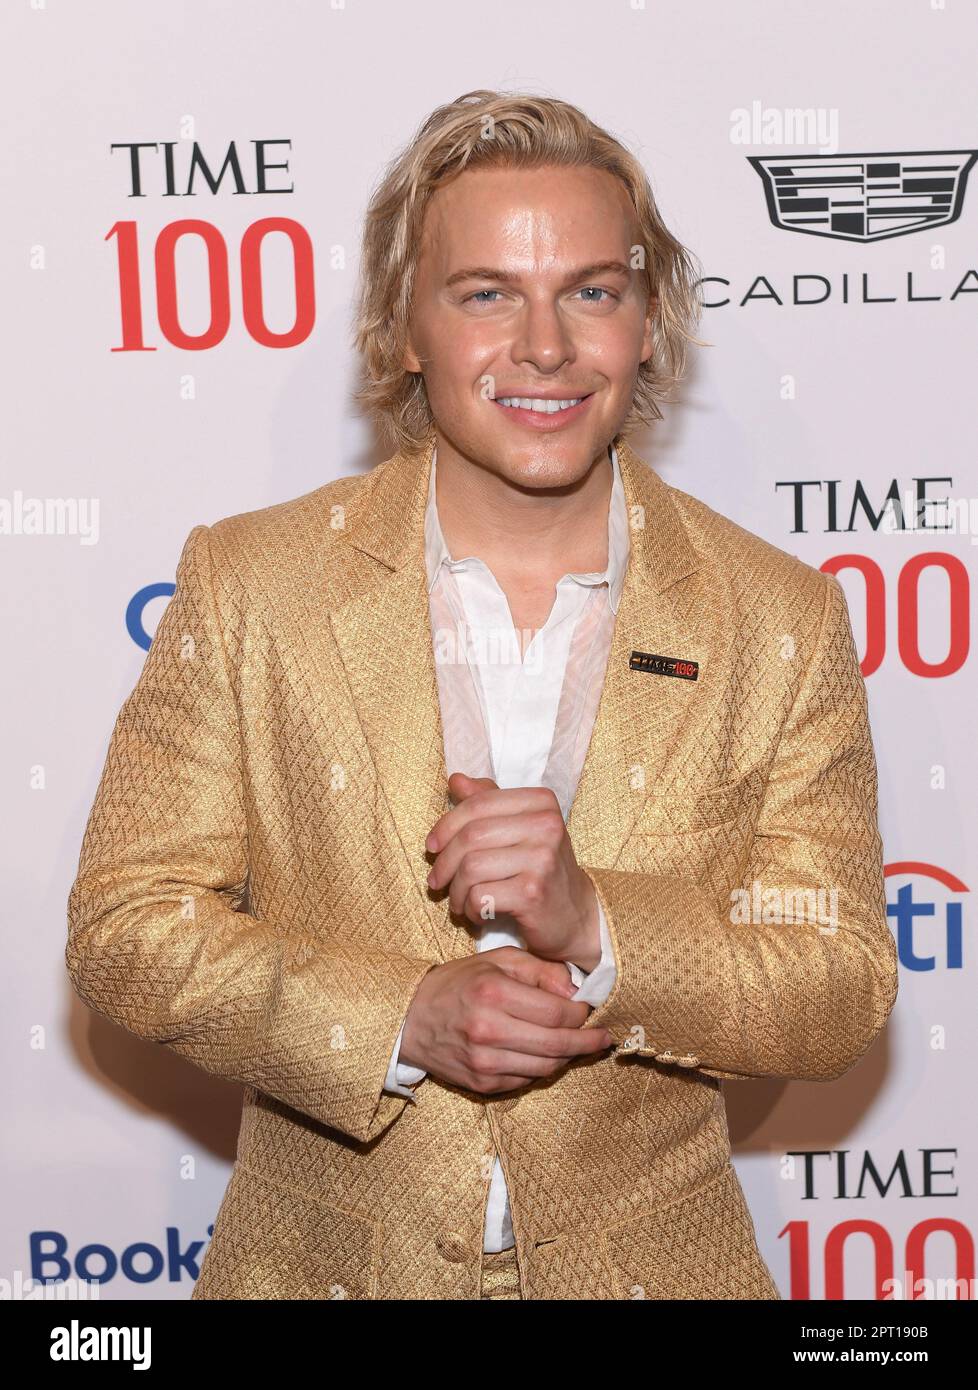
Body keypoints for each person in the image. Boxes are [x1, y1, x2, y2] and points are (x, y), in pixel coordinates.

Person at [66, 89, 899, 1301]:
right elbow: (126, 927)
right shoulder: (250, 583)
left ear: (650, 321)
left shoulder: (780, 617)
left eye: (592, 291)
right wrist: (397, 1019)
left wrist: (598, 925)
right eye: (486, 293)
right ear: (403, 327)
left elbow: (837, 990)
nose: (546, 346)